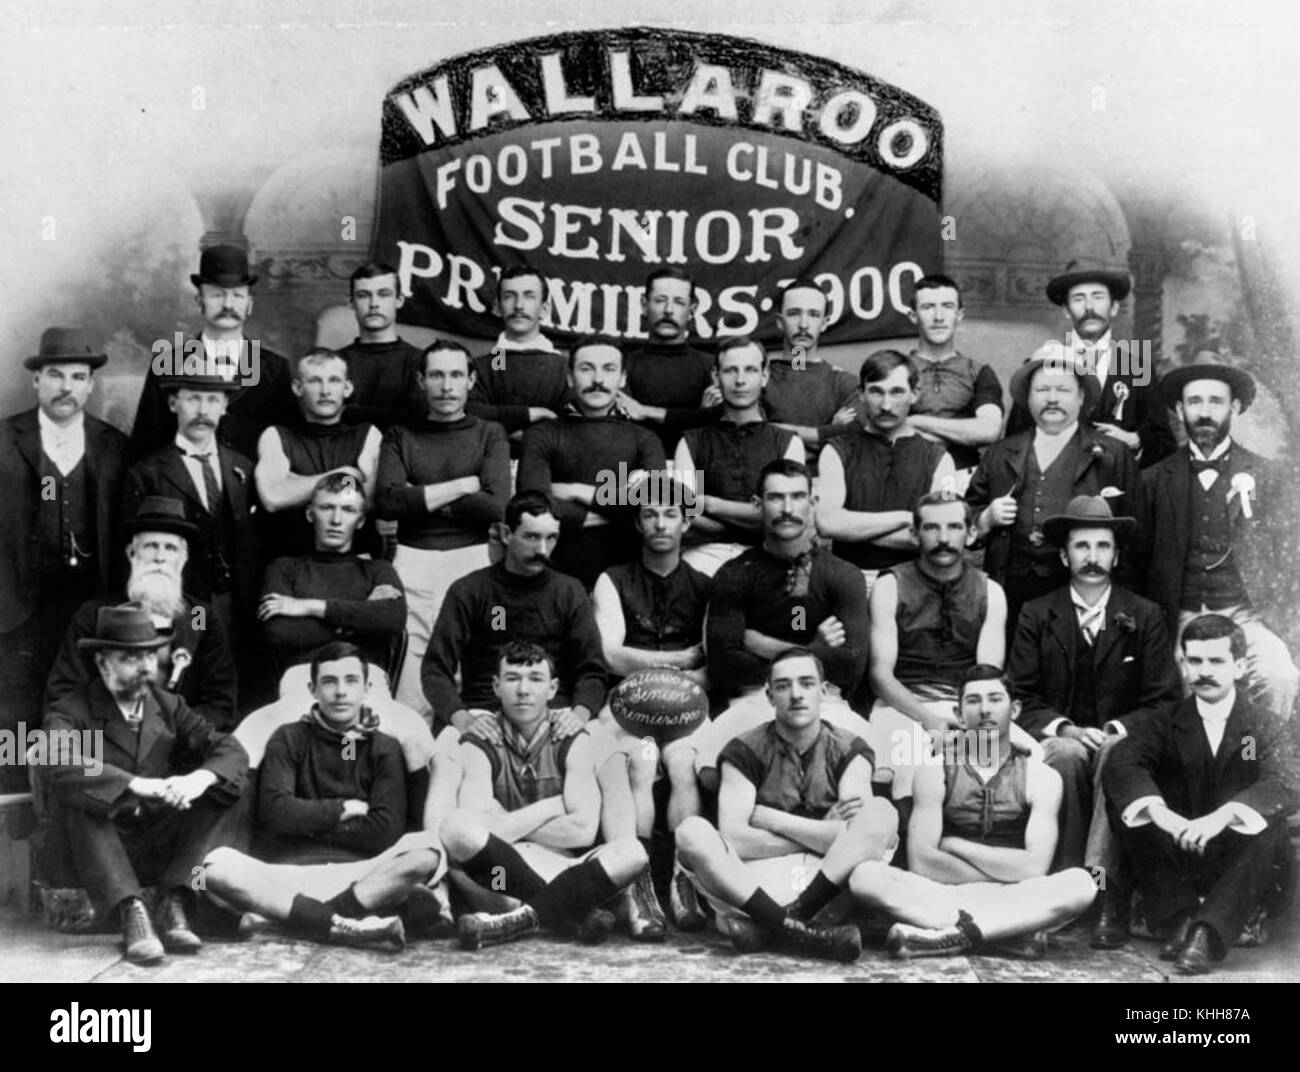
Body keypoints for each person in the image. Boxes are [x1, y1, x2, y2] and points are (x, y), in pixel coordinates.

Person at [1007, 495, 1180, 935]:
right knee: (1064, 755)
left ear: (1117, 555)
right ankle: (1067, 890)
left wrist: (1115, 729)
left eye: (1102, 547)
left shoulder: (1145, 615)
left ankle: (1106, 892)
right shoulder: (1037, 613)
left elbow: (1164, 700)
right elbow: (1020, 695)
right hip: (1058, 735)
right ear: (1064, 556)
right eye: (1081, 547)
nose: (1092, 557)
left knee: (1116, 754)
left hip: (1121, 739)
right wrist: (1063, 726)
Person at [41, 603, 249, 964]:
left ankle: (175, 899)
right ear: (103, 663)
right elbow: (56, 760)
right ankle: (131, 912)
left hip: (152, 846)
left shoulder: (168, 705)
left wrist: (197, 780)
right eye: (131, 659)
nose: (147, 669)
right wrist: (136, 784)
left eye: (151, 656)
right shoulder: (70, 711)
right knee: (81, 795)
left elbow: (229, 749)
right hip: (93, 851)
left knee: (227, 784)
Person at [848, 665, 1098, 959]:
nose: (984, 710)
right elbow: (922, 863)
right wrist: (1001, 872)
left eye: (995, 699)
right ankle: (1006, 934)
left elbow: (1034, 868)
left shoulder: (1041, 776)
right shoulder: (933, 769)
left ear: (1015, 709)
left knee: (1082, 883)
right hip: (945, 892)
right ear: (958, 713)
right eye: (973, 701)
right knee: (864, 876)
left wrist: (954, 845)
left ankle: (956, 933)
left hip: (1010, 893)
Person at [1104, 614, 1300, 974]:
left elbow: (1286, 781)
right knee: (1130, 806)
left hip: (1236, 861)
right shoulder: (1165, 720)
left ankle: (1207, 933)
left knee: (1269, 827)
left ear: (1240, 666)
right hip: (1180, 857)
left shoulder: (1259, 727)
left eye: (1216, 661)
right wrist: (1165, 816)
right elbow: (1123, 762)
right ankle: (1179, 917)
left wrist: (1220, 818)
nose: (1203, 672)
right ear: (1183, 664)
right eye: (1195, 661)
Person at [674, 647, 898, 961]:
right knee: (690, 832)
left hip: (825, 883)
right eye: (783, 686)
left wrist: (771, 819)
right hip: (754, 882)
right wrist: (820, 832)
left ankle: (774, 926)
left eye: (806, 683)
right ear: (769, 696)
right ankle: (803, 933)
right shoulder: (744, 750)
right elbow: (735, 839)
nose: (795, 694)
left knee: (881, 814)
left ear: (823, 692)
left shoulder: (851, 749)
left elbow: (855, 834)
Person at [238, 474, 434, 831]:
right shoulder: (285, 568)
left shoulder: (377, 569)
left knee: (418, 736)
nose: (336, 518)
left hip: (369, 686)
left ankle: (423, 848)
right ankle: (235, 851)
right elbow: (278, 632)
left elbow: (390, 619)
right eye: (327, 507)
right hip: (301, 686)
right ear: (311, 513)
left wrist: (310, 607)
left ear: (361, 519)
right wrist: (359, 616)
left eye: (347, 510)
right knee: (245, 739)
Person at [439, 642, 649, 950]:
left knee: (633, 852)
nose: (523, 689)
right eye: (512, 678)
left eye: (535, 679)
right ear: (496, 686)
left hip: (563, 868)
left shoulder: (572, 738)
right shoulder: (479, 740)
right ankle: (569, 914)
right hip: (500, 875)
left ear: (552, 688)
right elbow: (475, 829)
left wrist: (504, 823)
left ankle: (516, 921)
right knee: (455, 827)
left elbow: (582, 830)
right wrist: (552, 807)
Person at [688, 459, 882, 787]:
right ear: (757, 504)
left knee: (874, 768)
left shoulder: (842, 575)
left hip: (826, 700)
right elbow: (724, 666)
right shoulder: (735, 573)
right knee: (707, 769)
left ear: (813, 502)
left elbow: (850, 666)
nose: (788, 508)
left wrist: (763, 644)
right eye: (776, 497)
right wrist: (815, 652)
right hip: (754, 699)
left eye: (797, 496)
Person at [1136, 354, 1300, 720]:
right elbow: (1139, 564)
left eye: (1215, 401)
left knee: (1279, 675)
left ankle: (1255, 762)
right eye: (1195, 402)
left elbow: (1287, 563)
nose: (1204, 412)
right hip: (1180, 615)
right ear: (1179, 410)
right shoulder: (1152, 480)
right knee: (1178, 691)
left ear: (1235, 407)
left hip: (1245, 615)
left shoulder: (1268, 477)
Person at [0, 328, 129, 789]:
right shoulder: (4, 438)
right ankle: (13, 804)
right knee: (14, 708)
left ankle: (77, 798)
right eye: (55, 374)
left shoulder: (113, 445)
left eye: (78, 376)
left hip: (89, 603)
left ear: (91, 385)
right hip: (17, 603)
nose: (66, 387)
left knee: (84, 704)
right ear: (36, 380)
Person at [591, 490, 714, 934]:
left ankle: (684, 877)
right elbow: (610, 655)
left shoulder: (705, 584)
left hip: (688, 706)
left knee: (684, 764)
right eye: (650, 515)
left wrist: (677, 681)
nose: (660, 523)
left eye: (670, 514)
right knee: (641, 766)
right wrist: (677, 663)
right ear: (637, 524)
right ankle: (637, 881)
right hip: (626, 704)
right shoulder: (613, 579)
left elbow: (712, 664)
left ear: (685, 524)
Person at [374, 340, 510, 713]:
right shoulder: (400, 434)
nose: (446, 385)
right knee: (411, 683)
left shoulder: (489, 433)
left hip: (472, 560)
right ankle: (417, 764)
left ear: (470, 380)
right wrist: (462, 486)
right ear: (421, 380)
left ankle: (468, 760)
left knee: (474, 668)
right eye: (436, 375)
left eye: (455, 375)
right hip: (411, 559)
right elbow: (387, 501)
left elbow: (495, 505)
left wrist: (419, 498)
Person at [967, 340, 1135, 631]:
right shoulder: (1000, 453)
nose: (1052, 399)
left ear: (1081, 396)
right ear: (1028, 398)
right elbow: (966, 513)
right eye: (1043, 390)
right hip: (1012, 592)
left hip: (1085, 594)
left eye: (1063, 390)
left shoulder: (1112, 454)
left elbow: (1135, 535)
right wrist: (986, 518)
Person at [421, 490, 608, 738]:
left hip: (556, 713)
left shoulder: (569, 592)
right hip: (483, 713)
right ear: (507, 534)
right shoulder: (470, 590)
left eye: (551, 538)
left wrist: (578, 715)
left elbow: (592, 670)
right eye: (531, 537)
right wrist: (463, 719)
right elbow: (435, 670)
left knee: (603, 760)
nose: (542, 549)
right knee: (453, 764)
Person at [867, 491, 1014, 802]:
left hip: (966, 707)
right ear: (914, 533)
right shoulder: (889, 585)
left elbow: (986, 678)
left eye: (954, 527)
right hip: (902, 707)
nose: (943, 538)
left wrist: (967, 724)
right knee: (913, 759)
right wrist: (929, 721)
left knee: (1028, 760)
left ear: (971, 532)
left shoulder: (990, 592)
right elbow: (880, 676)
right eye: (932, 528)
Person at [46, 496, 238, 730]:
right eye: (150, 546)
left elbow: (219, 703)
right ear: (131, 553)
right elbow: (64, 695)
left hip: (179, 744)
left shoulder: (199, 616)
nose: (160, 557)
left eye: (170, 548)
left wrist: (171, 734)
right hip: (109, 743)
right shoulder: (93, 614)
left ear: (184, 557)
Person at [517, 335, 666, 590]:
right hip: (551, 578)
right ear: (570, 377)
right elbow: (533, 508)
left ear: (622, 378)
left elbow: (655, 505)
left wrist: (576, 491)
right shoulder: (542, 434)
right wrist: (621, 509)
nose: (598, 380)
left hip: (629, 582)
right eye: (587, 369)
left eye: (609, 369)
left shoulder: (645, 439)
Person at [128, 244, 294, 463]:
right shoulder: (168, 363)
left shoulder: (275, 368)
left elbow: (288, 447)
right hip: (185, 492)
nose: (228, 304)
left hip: (254, 492)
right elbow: (146, 444)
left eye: (237, 296)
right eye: (217, 295)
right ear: (200, 302)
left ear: (249, 305)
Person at [1007, 258, 1176, 467]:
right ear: (1066, 311)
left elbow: (1164, 444)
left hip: (1118, 491)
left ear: (1114, 307)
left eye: (1098, 297)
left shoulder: (1137, 368)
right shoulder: (1041, 364)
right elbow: (1014, 441)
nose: (1089, 307)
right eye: (1078, 299)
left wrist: (1135, 440)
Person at [255, 643, 407, 863]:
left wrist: (304, 827)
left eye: (351, 681)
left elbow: (385, 830)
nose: (340, 691)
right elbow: (275, 811)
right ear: (312, 689)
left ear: (366, 688)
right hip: (295, 864)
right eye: (329, 682)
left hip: (364, 867)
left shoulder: (385, 747)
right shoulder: (288, 738)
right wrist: (342, 809)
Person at [817, 350, 955, 590]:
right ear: (861, 394)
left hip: (915, 587)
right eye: (876, 391)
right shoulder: (836, 451)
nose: (886, 405)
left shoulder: (940, 459)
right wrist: (905, 518)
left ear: (915, 394)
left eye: (897, 392)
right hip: (848, 584)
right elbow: (828, 524)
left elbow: (938, 536)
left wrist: (852, 531)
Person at [675, 336, 804, 577]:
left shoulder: (787, 442)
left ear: (764, 376)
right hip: (703, 555)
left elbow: (789, 513)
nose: (740, 380)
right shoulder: (692, 441)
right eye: (730, 370)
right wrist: (756, 519)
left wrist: (712, 504)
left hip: (770, 554)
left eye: (751, 370)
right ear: (716, 376)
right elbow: (684, 515)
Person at [255, 348, 382, 561]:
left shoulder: (367, 434)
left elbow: (366, 501)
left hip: (356, 562)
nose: (325, 391)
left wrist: (296, 485)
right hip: (290, 563)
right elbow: (273, 498)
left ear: (347, 387)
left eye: (334, 380)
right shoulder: (276, 435)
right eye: (314, 381)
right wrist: (346, 473)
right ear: (298, 387)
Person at [902, 274, 1003, 488]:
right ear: (913, 316)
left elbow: (989, 430)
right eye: (928, 307)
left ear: (959, 315)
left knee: (959, 519)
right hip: (906, 476)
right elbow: (884, 428)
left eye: (947, 306)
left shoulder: (978, 372)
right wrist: (962, 432)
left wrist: (915, 421)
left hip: (961, 479)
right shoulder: (896, 369)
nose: (939, 317)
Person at [467, 263, 570, 454]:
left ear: (545, 309)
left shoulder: (564, 368)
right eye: (509, 296)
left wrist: (508, 427)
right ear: (497, 308)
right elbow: (468, 411)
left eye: (529, 296)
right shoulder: (489, 365)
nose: (519, 306)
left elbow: (573, 423)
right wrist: (529, 414)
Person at [617, 266, 718, 453]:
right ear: (644, 305)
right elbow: (625, 425)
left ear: (692, 309)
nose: (668, 310)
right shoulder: (624, 364)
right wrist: (698, 414)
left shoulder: (711, 365)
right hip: (637, 470)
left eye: (679, 302)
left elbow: (717, 423)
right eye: (660, 300)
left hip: (696, 471)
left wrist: (645, 411)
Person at [759, 278, 859, 457]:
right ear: (779, 322)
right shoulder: (758, 380)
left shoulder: (844, 383)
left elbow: (853, 436)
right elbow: (755, 433)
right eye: (794, 313)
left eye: (813, 314)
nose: (803, 324)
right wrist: (828, 430)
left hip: (829, 478)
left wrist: (779, 431)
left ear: (825, 322)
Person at [337, 260, 427, 430]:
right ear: (351, 302)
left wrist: (349, 411)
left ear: (399, 300)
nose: (374, 304)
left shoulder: (419, 360)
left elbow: (418, 418)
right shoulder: (335, 361)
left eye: (383, 294)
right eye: (363, 295)